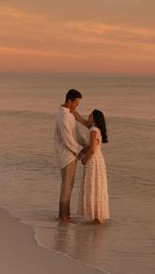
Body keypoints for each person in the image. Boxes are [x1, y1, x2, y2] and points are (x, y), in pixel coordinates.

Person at [54, 89, 88, 222]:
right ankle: (63, 215)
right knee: (67, 185)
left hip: (70, 154)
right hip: (67, 155)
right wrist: (79, 153)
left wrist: (86, 143)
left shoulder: (68, 113)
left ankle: (65, 214)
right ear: (69, 101)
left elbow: (76, 133)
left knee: (69, 185)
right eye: (76, 102)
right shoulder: (63, 116)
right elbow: (67, 139)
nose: (77, 105)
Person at [76, 109, 110, 224]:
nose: (88, 116)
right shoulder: (96, 130)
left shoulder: (93, 131)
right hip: (98, 160)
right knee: (97, 187)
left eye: (90, 115)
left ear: (94, 118)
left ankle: (97, 218)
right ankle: (98, 217)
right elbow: (90, 146)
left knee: (93, 187)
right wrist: (81, 153)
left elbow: (92, 149)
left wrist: (84, 159)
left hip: (93, 161)